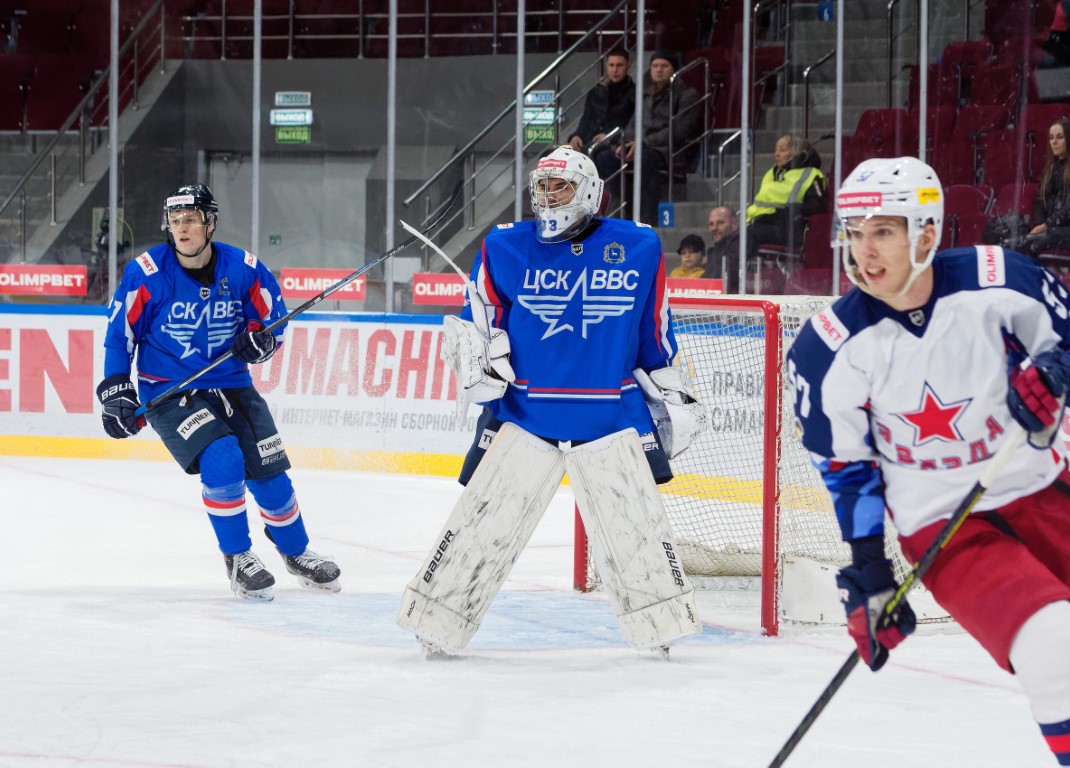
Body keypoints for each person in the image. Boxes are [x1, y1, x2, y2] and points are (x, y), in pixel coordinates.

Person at [786, 156, 1070, 768]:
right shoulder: (827, 349)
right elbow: (849, 473)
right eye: (853, 234)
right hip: (949, 529)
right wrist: (870, 575)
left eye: (882, 232)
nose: (863, 253)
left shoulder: (1003, 281)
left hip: (1048, 498)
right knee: (1052, 643)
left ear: (926, 234)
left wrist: (1061, 376)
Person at [397, 146, 704, 657]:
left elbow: (654, 331)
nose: (547, 195)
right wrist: (476, 353)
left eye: (559, 185)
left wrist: (670, 388)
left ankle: (661, 625)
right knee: (485, 519)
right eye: (542, 186)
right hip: (524, 412)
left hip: (610, 412)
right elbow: (483, 320)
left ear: (588, 190)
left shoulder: (640, 245)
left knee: (634, 529)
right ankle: (439, 617)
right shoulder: (503, 246)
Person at [97, 184, 341, 601]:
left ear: (210, 223)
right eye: (175, 221)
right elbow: (120, 336)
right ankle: (238, 557)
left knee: (271, 477)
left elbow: (271, 318)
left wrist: (260, 340)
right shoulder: (147, 272)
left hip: (232, 385)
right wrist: (116, 388)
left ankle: (297, 552)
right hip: (170, 393)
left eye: (191, 219)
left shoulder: (243, 267)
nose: (182, 228)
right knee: (222, 457)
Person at [618, 49, 703, 225]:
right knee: (606, 157)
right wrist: (624, 143)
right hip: (642, 147)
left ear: (674, 69)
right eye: (655, 66)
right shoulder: (645, 95)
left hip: (671, 151)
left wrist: (642, 143)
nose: (658, 70)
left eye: (664, 66)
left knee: (645, 157)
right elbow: (633, 124)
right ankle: (622, 214)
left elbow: (678, 131)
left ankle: (646, 218)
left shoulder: (687, 95)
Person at [1016, 118, 1070, 258]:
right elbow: (1040, 201)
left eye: (1060, 137)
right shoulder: (1050, 168)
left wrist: (1047, 225)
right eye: (1051, 138)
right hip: (1052, 228)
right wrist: (1040, 224)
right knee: (1013, 237)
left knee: (1031, 243)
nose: (1054, 142)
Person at [745, 135, 826, 254]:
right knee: (733, 236)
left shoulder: (811, 174)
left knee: (746, 235)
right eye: (776, 150)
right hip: (761, 224)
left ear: (797, 152)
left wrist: (792, 209)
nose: (776, 154)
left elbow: (819, 206)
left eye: (782, 150)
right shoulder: (773, 172)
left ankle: (737, 271)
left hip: (788, 229)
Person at [568, 46, 635, 189]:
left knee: (594, 154)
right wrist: (576, 136)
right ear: (606, 66)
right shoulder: (596, 92)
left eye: (619, 65)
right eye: (611, 65)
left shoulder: (634, 94)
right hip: (590, 140)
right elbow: (586, 120)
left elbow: (631, 125)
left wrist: (609, 137)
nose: (615, 70)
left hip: (613, 143)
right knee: (550, 154)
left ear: (628, 66)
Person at [703, 205, 741, 291]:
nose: (714, 228)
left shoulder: (740, 247)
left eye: (720, 223)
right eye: (711, 224)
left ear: (734, 225)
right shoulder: (713, 252)